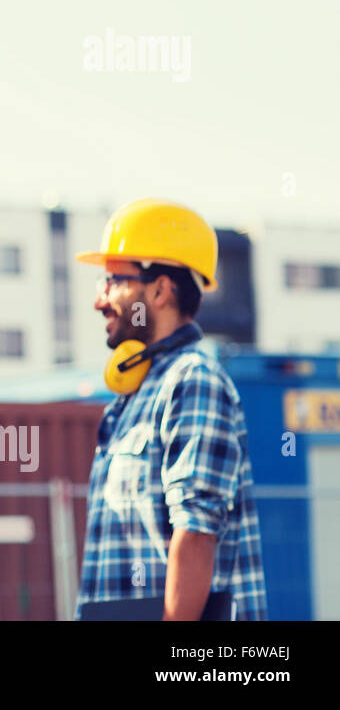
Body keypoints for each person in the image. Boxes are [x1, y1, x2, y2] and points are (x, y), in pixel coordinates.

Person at [75, 198, 267, 620]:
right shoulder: (136, 393)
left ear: (159, 290)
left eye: (112, 281)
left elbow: (196, 531)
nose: (99, 300)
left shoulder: (193, 382)